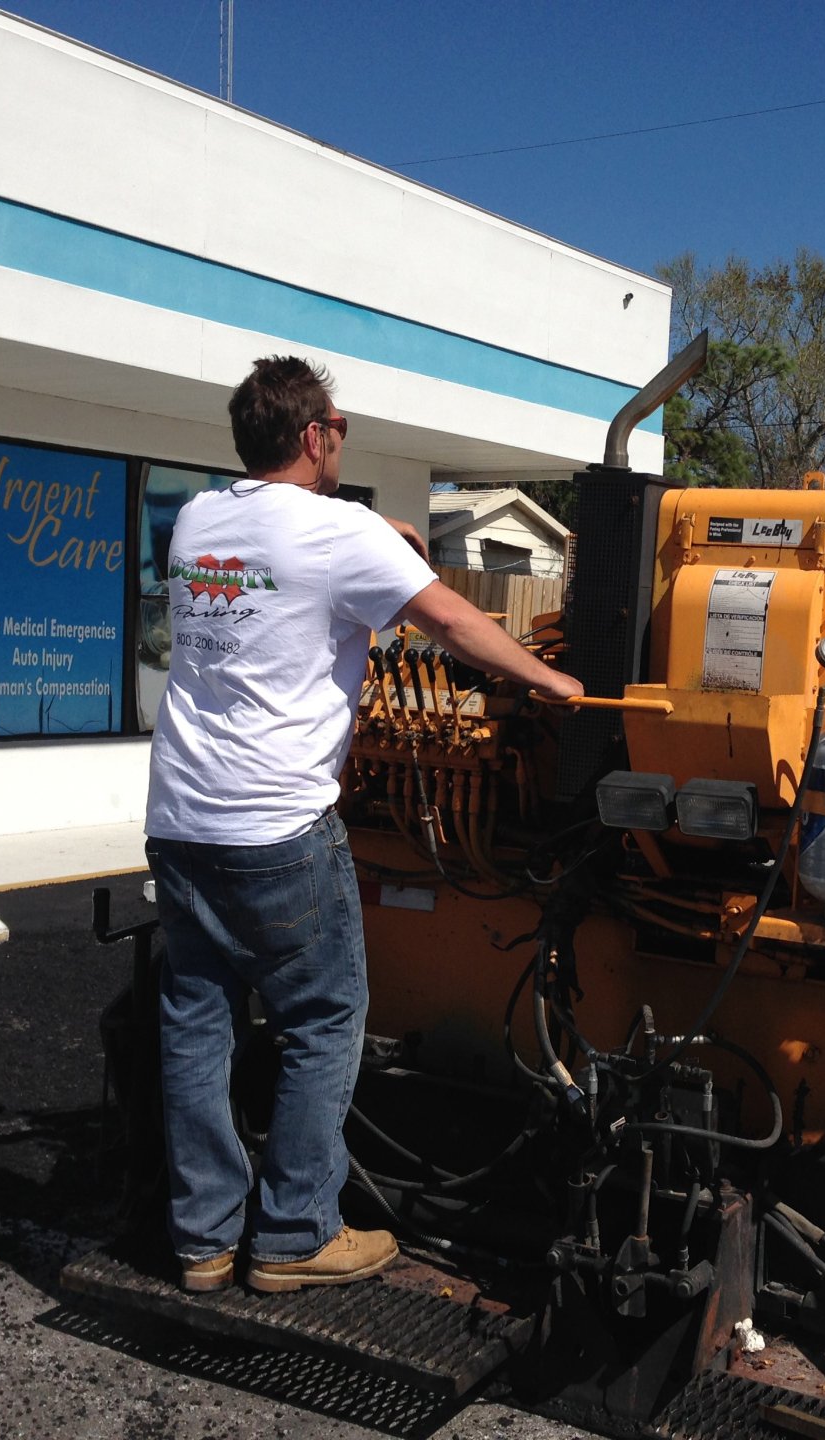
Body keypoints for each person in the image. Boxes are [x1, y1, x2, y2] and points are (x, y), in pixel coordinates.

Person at [144, 355, 582, 1294]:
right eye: (338, 429)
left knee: (196, 1022)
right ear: (314, 437)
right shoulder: (337, 533)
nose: (342, 440)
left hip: (181, 817)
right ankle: (297, 1234)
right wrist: (547, 679)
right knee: (323, 1018)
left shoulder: (197, 522)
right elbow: (455, 623)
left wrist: (374, 531)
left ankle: (203, 1241)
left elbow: (284, 553)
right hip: (278, 827)